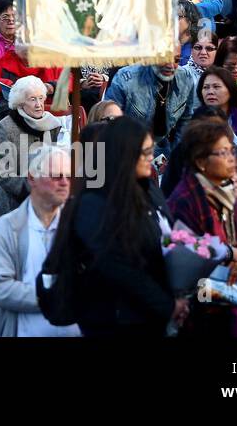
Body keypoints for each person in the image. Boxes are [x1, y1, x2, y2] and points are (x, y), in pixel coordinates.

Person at [60, 117, 184, 336]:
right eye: (144, 152)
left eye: (151, 151)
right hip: (116, 319)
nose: (150, 158)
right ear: (123, 153)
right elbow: (114, 264)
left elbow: (166, 236)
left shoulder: (149, 189)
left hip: (152, 317)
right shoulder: (94, 200)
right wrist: (166, 304)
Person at [165, 118, 237, 335]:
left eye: (231, 151)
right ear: (200, 162)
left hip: (230, 302)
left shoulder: (228, 194)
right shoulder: (185, 200)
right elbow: (185, 269)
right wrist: (229, 257)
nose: (231, 160)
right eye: (223, 153)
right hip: (199, 315)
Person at [0, 144, 81, 336]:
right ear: (31, 178)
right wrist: (50, 299)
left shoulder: (79, 225)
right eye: (55, 176)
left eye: (69, 177)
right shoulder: (8, 228)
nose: (64, 183)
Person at [0, 76, 65, 223]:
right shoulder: (5, 128)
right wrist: (37, 189)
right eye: (32, 99)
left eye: (41, 98)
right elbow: (4, 175)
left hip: (48, 207)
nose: (39, 105)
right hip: (13, 208)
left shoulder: (54, 125)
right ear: (20, 103)